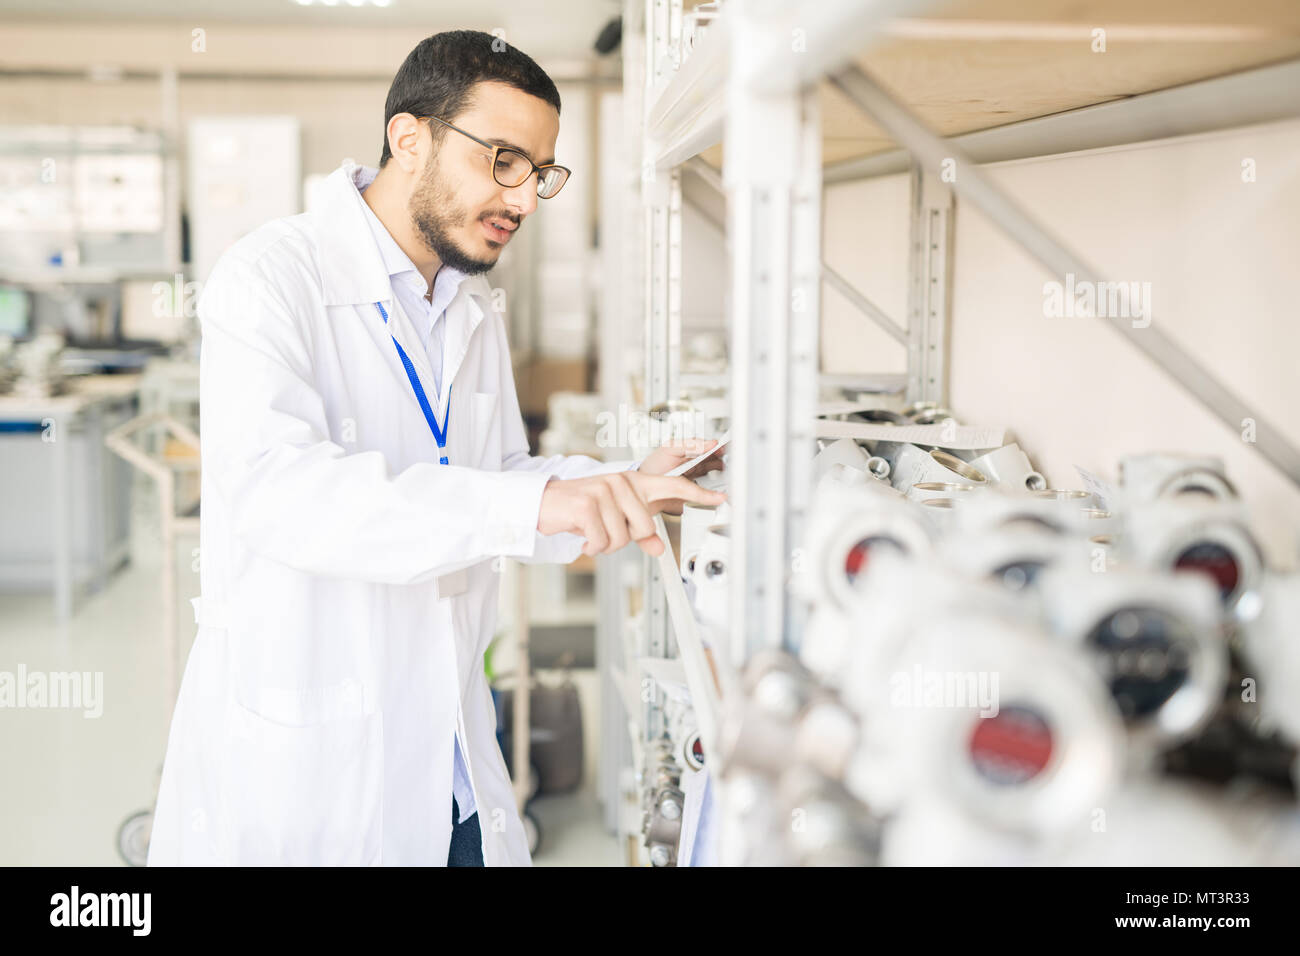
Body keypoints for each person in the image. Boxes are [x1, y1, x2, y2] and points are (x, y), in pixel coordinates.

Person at [147, 30, 725, 867]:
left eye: (539, 173)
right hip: (316, 772)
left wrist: (615, 482)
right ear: (408, 137)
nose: (524, 199)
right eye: (503, 160)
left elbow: (489, 483)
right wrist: (526, 501)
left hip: (451, 755)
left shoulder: (469, 304)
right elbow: (283, 496)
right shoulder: (271, 279)